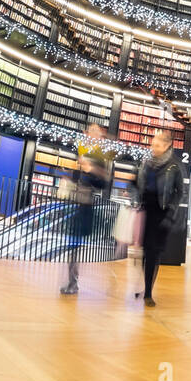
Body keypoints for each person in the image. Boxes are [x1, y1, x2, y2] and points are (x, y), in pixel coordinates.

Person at [133, 128, 185, 308]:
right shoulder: (146, 162)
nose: (153, 147)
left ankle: (148, 292)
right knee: (144, 252)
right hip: (145, 211)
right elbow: (139, 184)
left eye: (156, 145)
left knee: (153, 253)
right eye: (152, 144)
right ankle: (146, 286)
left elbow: (180, 193)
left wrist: (171, 210)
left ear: (166, 145)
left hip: (162, 213)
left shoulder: (174, 166)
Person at [61, 122, 114, 295]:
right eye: (89, 131)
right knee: (72, 245)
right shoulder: (83, 151)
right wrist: (70, 180)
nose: (90, 134)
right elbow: (79, 176)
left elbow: (103, 183)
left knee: (74, 245)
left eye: (94, 132)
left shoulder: (100, 157)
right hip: (75, 203)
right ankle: (71, 281)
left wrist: (90, 169)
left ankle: (73, 282)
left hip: (85, 206)